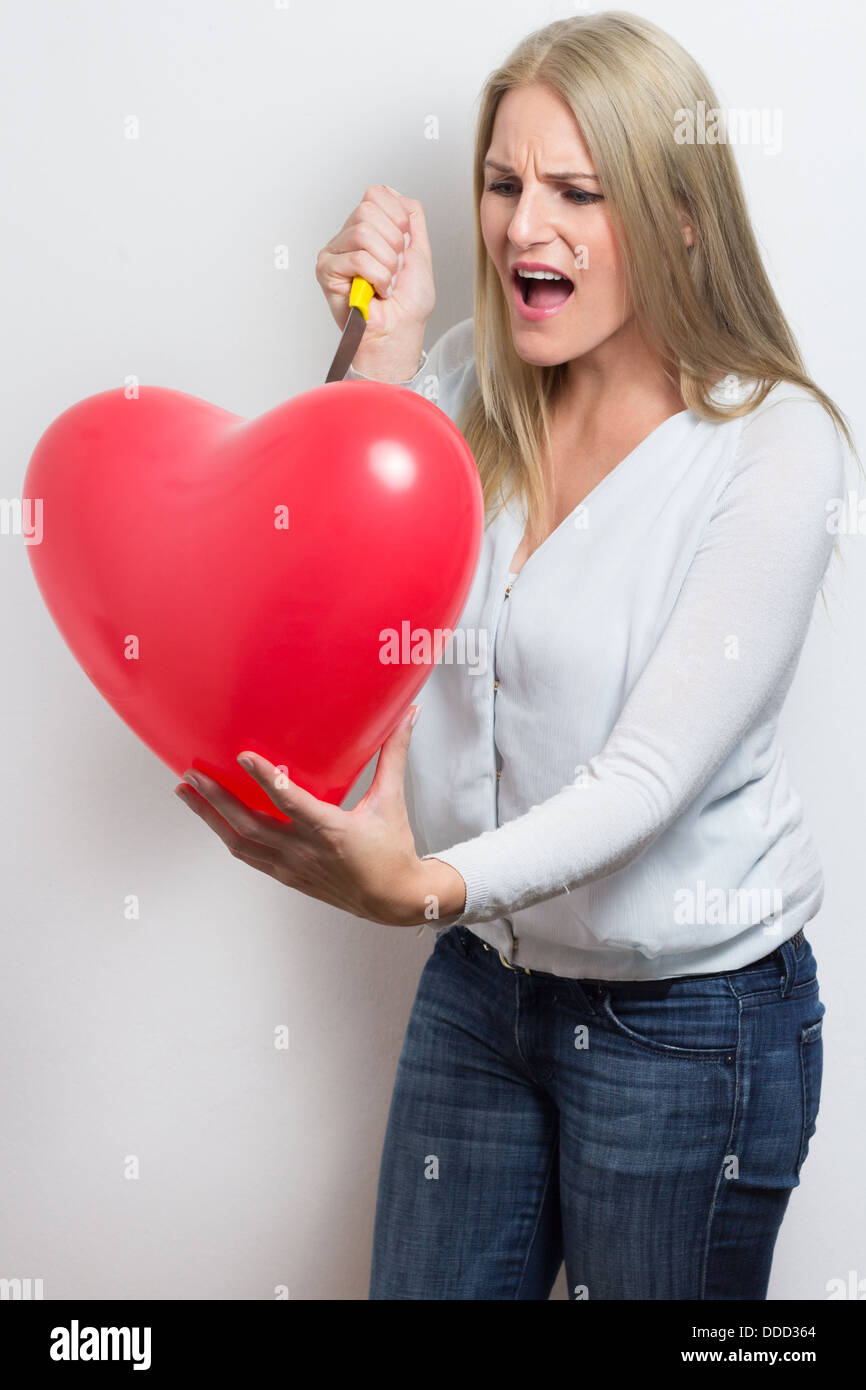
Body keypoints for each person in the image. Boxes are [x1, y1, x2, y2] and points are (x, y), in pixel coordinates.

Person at [178, 12, 859, 1299]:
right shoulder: (456, 387)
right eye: (502, 183)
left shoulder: (772, 448)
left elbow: (641, 782)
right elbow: (311, 588)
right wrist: (377, 352)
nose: (520, 229)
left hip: (688, 1026)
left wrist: (418, 885)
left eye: (575, 192)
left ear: (678, 218)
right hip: (483, 987)